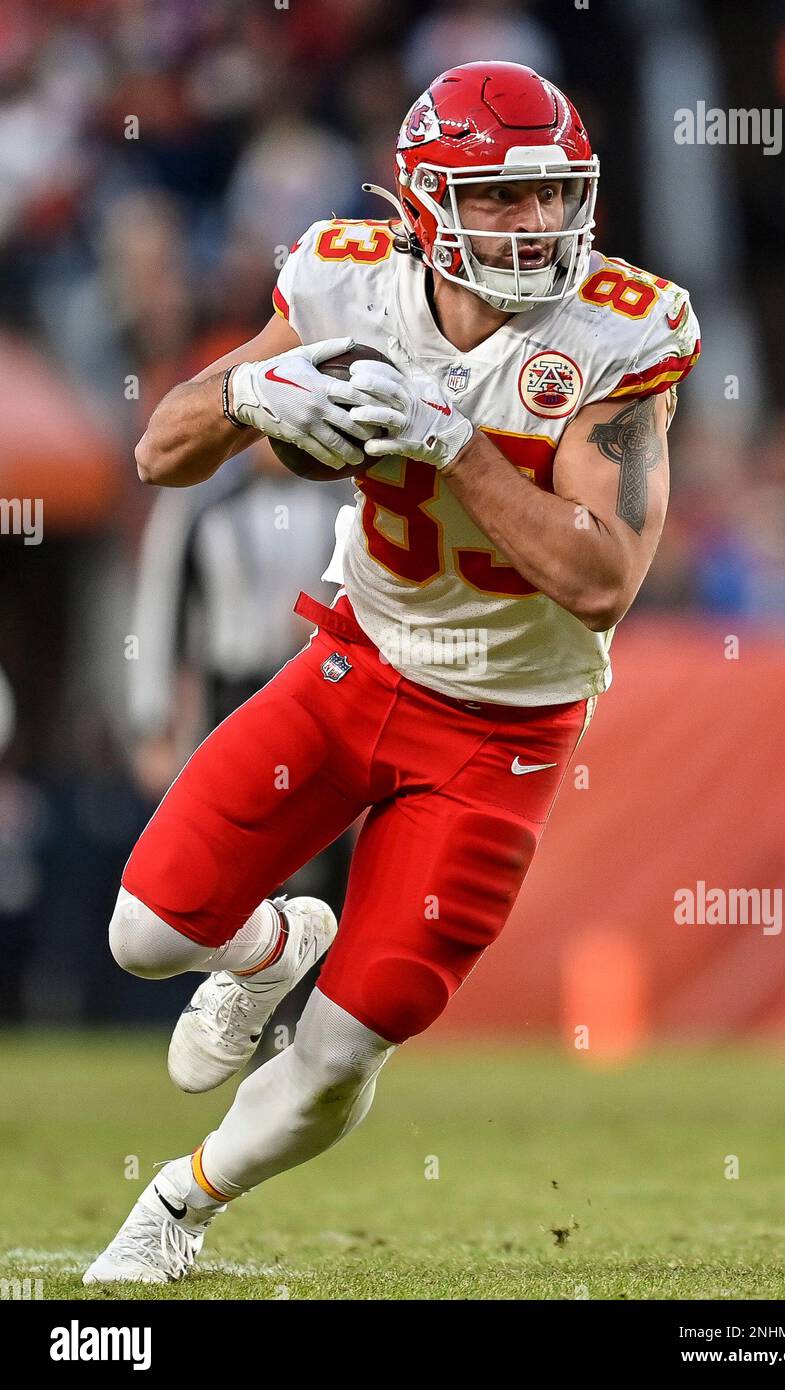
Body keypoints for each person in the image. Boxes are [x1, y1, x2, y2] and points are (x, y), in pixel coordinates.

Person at [85, 60, 700, 1284]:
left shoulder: (621, 330)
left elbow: (597, 580)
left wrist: (453, 442)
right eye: (502, 199)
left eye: (554, 196)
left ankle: (177, 1205)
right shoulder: (344, 279)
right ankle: (266, 949)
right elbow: (161, 451)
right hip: (353, 665)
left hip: (502, 735)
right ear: (426, 203)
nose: (537, 226)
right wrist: (256, 390)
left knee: (344, 1045)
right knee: (145, 932)